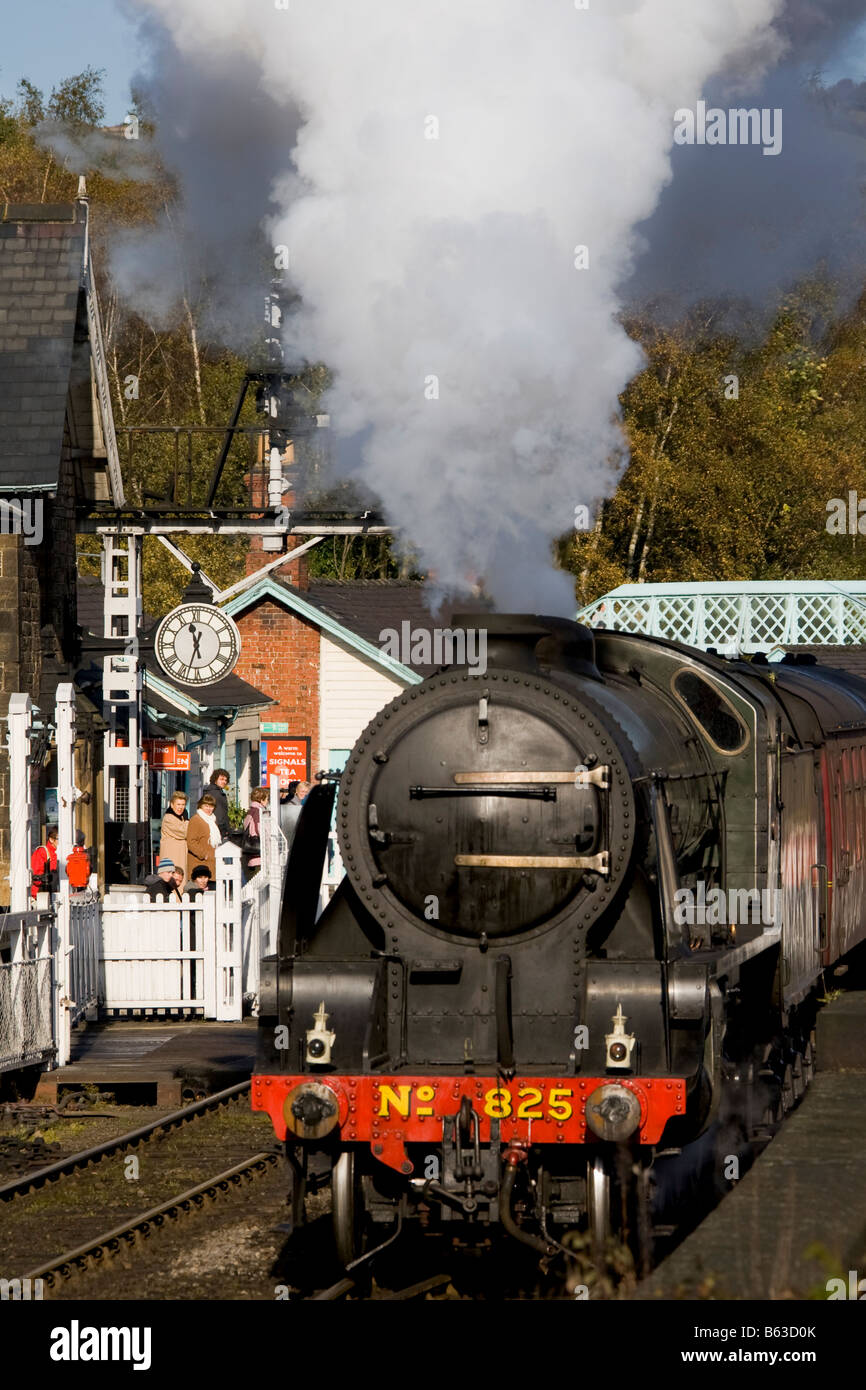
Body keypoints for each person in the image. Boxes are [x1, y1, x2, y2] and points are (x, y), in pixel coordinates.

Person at [187, 793, 221, 880]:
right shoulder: (196, 819)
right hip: (200, 864)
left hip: (211, 863)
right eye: (206, 806)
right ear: (200, 806)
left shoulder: (212, 820)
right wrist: (204, 855)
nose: (209, 809)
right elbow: (191, 842)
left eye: (211, 806)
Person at [159, 790, 189, 878]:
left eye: (183, 805)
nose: (180, 807)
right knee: (173, 879)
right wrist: (187, 820)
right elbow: (184, 833)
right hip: (172, 856)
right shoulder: (169, 818)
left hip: (180, 856)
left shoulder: (181, 817)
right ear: (172, 805)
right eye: (178, 804)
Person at [241, 786, 269, 879]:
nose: (267, 802)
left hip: (250, 855)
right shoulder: (258, 812)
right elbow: (261, 830)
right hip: (259, 856)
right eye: (266, 799)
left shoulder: (251, 811)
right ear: (261, 799)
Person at [279, 780, 310, 850]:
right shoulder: (291, 805)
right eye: (302, 791)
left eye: (306, 792)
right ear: (296, 791)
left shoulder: (301, 803)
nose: (304, 794)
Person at [30, 825, 59, 899]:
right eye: (59, 839)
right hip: (40, 896)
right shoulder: (42, 852)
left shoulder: (60, 853)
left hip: (55, 894)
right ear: (51, 839)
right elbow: (36, 876)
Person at [202, 769, 231, 838]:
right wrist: (224, 828)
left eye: (225, 780)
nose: (224, 782)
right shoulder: (216, 794)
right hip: (217, 828)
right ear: (215, 780)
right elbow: (220, 813)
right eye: (221, 779)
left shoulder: (211, 791)